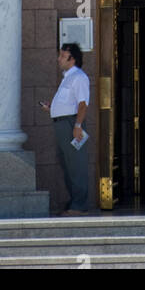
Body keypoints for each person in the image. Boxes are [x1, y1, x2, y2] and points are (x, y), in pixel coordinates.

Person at [41, 42, 90, 216]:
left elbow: (83, 105)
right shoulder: (67, 77)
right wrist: (51, 107)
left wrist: (77, 126)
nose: (59, 59)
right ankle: (73, 203)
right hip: (62, 124)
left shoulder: (79, 77)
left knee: (76, 165)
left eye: (63, 56)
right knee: (67, 165)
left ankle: (79, 205)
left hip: (71, 125)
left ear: (72, 59)